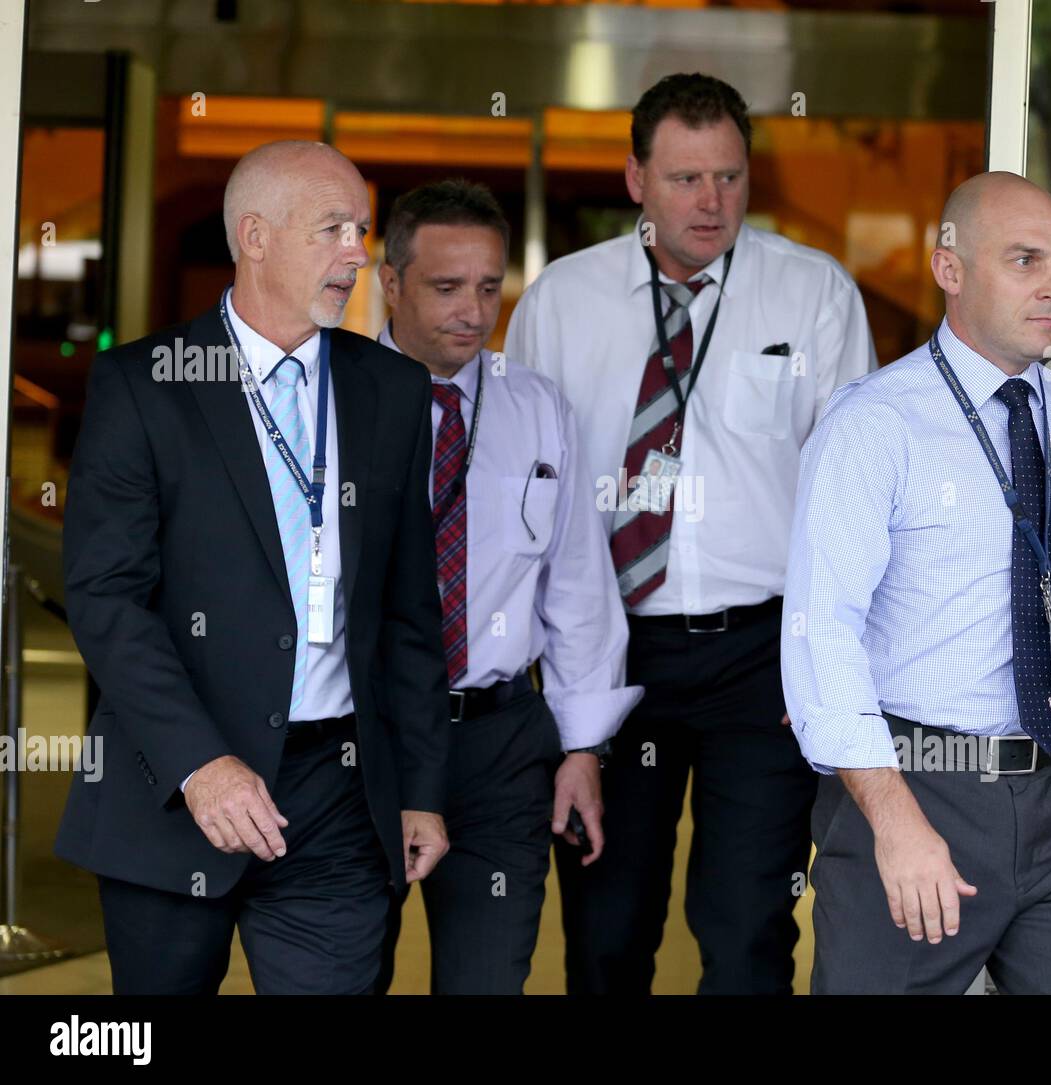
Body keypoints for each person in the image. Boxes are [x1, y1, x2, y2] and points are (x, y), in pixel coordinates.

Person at [782, 171, 1051, 994]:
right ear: (950, 268)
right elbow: (821, 632)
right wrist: (896, 820)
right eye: (1024, 261)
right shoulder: (874, 423)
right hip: (913, 782)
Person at [506, 72, 876, 994]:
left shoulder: (814, 293)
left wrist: (830, 662)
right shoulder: (560, 302)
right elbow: (526, 499)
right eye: (685, 179)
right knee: (605, 929)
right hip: (612, 652)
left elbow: (854, 496)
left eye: (729, 177)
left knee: (750, 928)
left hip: (762, 658)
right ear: (636, 178)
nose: (711, 203)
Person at [56, 140, 450, 995]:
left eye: (362, 229)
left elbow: (411, 609)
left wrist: (419, 786)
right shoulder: (142, 383)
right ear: (255, 236)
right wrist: (200, 763)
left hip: (340, 798)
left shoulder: (392, 390)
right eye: (333, 228)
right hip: (172, 787)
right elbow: (106, 596)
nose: (358, 251)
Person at [376, 180, 642, 994]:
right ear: (390, 282)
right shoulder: (329, 403)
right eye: (446, 287)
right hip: (370, 736)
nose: (472, 310)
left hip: (498, 742)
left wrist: (582, 746)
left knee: (489, 979)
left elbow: (577, 587)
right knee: (343, 973)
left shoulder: (536, 407)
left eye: (489, 287)